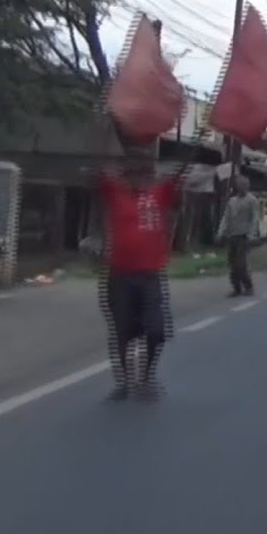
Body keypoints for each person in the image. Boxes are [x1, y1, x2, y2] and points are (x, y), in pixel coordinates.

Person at [89, 145, 182, 401]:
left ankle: (146, 376)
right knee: (122, 331)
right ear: (126, 173)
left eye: (145, 171)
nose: (140, 177)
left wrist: (180, 173)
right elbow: (98, 166)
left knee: (156, 331)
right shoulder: (115, 191)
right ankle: (124, 383)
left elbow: (178, 187)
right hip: (120, 274)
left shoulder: (160, 192)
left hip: (150, 276)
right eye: (134, 171)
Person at [217, 175, 260, 297]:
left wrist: (251, 235)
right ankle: (236, 288)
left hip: (244, 236)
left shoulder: (252, 200)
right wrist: (220, 233)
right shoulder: (232, 201)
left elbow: (254, 219)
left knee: (240, 264)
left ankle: (248, 286)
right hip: (232, 235)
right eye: (239, 184)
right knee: (232, 264)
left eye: (244, 185)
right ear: (237, 186)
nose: (242, 187)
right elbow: (226, 218)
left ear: (248, 186)